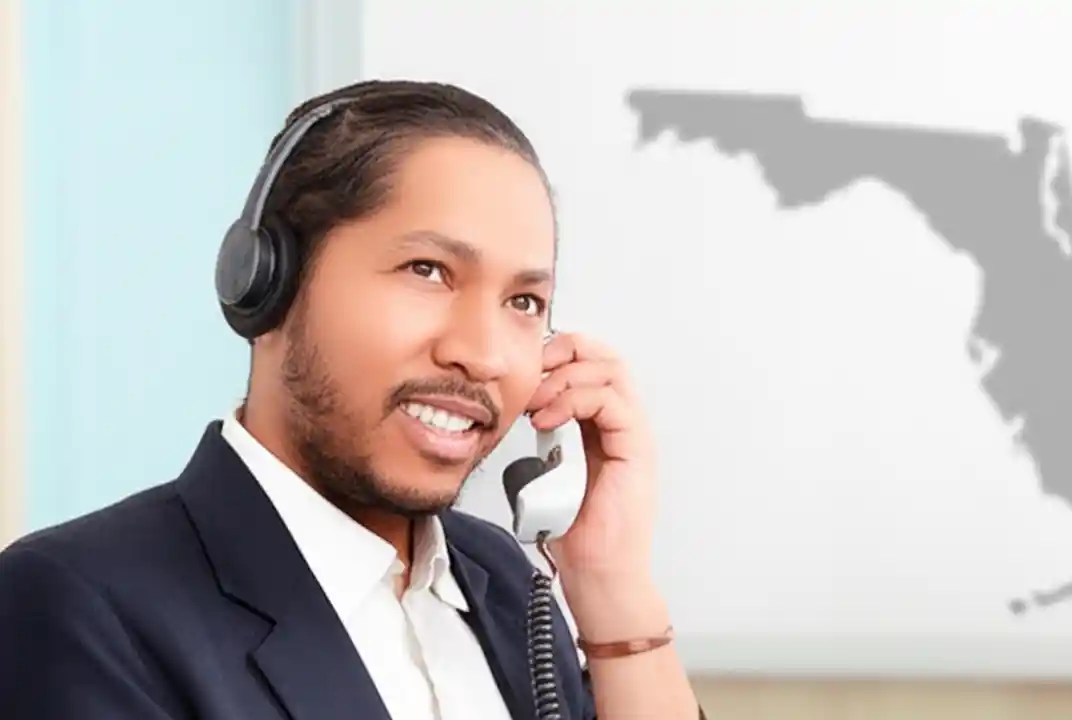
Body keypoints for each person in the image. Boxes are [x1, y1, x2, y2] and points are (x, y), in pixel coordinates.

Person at [0, 80, 703, 719]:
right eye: (427, 270)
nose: (485, 354)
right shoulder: (75, 605)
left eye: (524, 301)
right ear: (269, 283)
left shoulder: (508, 585)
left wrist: (612, 588)